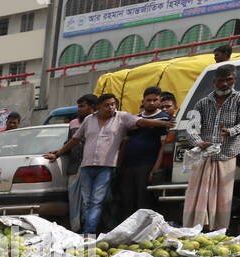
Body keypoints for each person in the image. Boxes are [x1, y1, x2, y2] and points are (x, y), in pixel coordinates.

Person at [45, 93, 170, 235]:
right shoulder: (88, 120)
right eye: (107, 105)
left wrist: (163, 123)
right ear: (98, 107)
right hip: (86, 167)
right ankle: (91, 231)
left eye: (113, 104)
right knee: (86, 202)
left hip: (106, 167)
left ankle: (89, 233)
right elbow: (75, 140)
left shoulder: (122, 117)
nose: (111, 107)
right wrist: (58, 154)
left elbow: (141, 122)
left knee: (96, 201)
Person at [183, 64, 240, 232]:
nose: (225, 84)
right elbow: (191, 127)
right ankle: (196, 228)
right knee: (198, 194)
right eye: (221, 81)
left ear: (234, 79)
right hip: (204, 155)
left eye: (229, 80)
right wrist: (198, 142)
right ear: (214, 82)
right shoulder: (202, 102)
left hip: (228, 153)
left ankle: (218, 230)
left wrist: (231, 131)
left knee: (222, 197)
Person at [114, 87, 169, 220]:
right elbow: (125, 143)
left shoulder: (164, 119)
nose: (151, 103)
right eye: (148, 100)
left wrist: (155, 169)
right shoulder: (135, 118)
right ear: (143, 101)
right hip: (129, 166)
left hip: (147, 165)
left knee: (143, 202)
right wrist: (119, 166)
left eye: (155, 100)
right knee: (127, 202)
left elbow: (163, 146)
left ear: (160, 100)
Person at [63, 94, 97, 231]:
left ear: (92, 107)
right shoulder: (73, 123)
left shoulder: (98, 122)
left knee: (89, 201)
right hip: (75, 166)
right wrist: (58, 152)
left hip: (92, 166)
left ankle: (89, 229)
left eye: (82, 106)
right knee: (74, 200)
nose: (79, 109)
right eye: (79, 106)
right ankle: (76, 229)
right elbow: (69, 143)